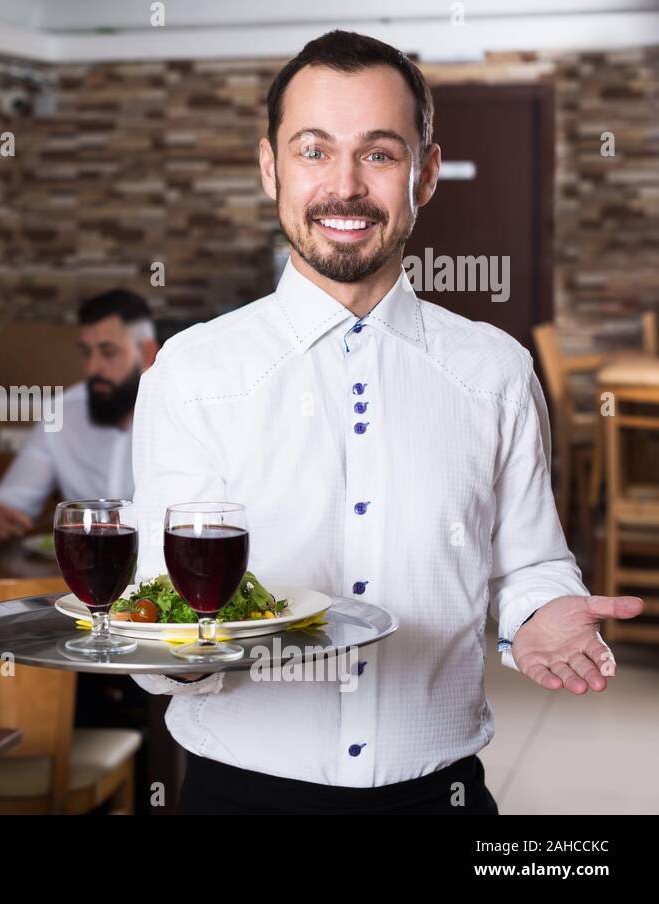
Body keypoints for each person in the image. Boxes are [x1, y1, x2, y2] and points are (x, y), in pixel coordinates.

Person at [130, 30, 642, 815]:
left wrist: (539, 614)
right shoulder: (193, 373)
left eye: (379, 153)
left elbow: (528, 561)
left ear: (425, 173)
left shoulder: (495, 369)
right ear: (270, 167)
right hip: (240, 796)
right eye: (312, 151)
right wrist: (184, 653)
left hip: (440, 795)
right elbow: (165, 605)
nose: (344, 187)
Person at [0, 289, 159, 544]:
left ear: (147, 353)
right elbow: (9, 502)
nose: (92, 368)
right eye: (86, 352)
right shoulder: (61, 413)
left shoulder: (185, 414)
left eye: (108, 352)